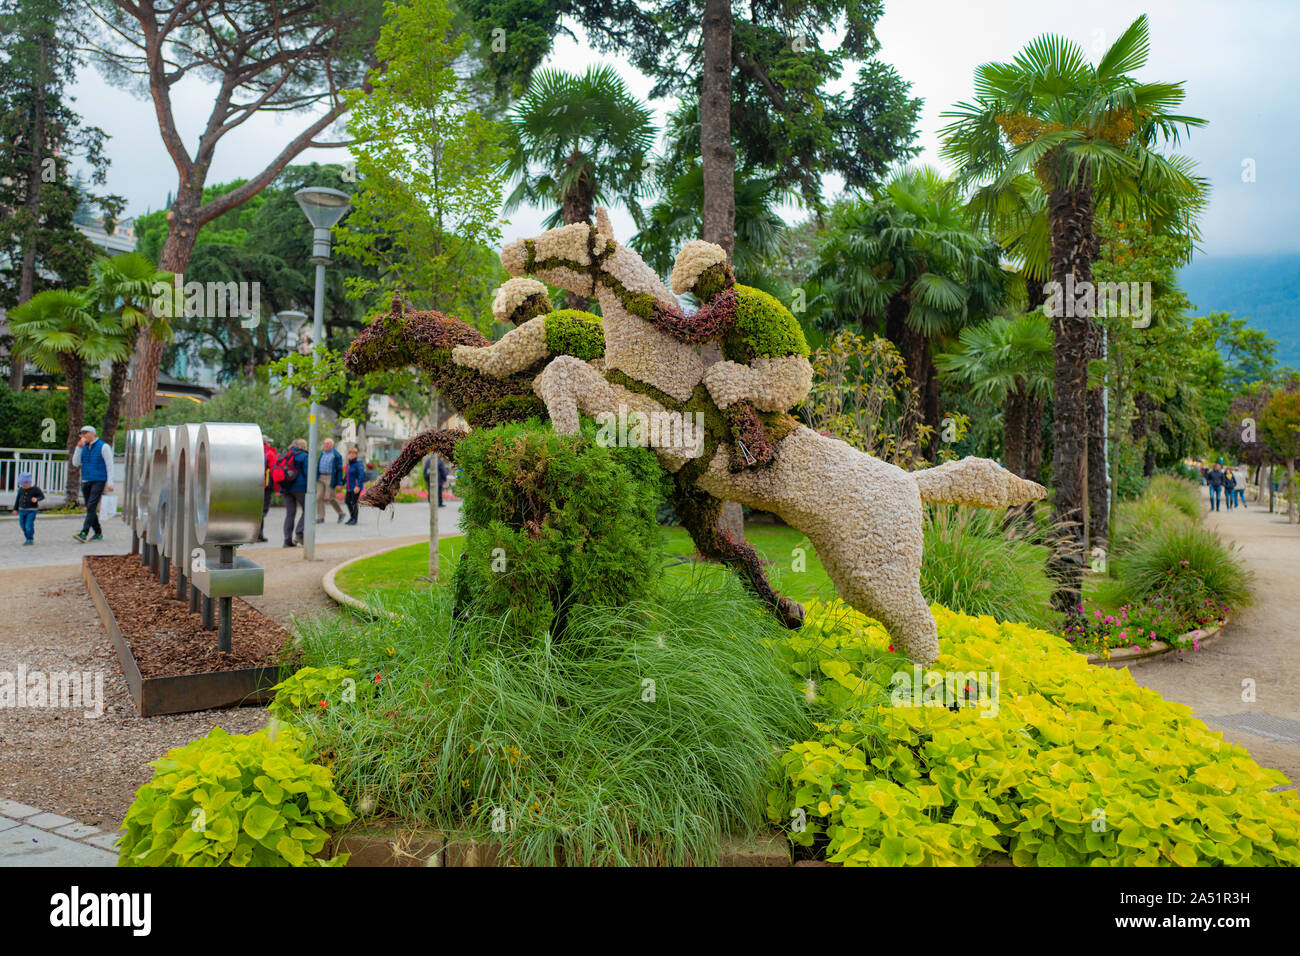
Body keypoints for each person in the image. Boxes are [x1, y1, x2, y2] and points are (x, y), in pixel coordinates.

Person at [72, 424, 113, 542]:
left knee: (91, 506)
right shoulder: (83, 447)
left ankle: (84, 532)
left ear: (93, 434)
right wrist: (78, 448)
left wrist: (110, 483)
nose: (83, 436)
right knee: (91, 507)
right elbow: (75, 463)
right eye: (82, 434)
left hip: (99, 479)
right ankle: (98, 532)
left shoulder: (103, 447)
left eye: (86, 433)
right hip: (86, 479)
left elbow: (109, 465)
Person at [281, 438, 309, 547]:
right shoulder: (304, 456)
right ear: (304, 446)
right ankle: (299, 533)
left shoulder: (286, 454)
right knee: (308, 510)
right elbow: (308, 473)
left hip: (286, 487)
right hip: (299, 488)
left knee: (290, 514)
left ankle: (287, 540)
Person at [316, 437, 345, 524]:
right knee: (318, 498)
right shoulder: (322, 453)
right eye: (324, 443)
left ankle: (341, 513)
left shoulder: (336, 455)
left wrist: (339, 482)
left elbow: (339, 469)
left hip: (330, 477)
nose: (325, 445)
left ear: (332, 445)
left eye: (327, 444)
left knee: (330, 497)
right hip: (321, 477)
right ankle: (320, 517)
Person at [259, 438, 281, 542]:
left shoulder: (253, 451)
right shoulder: (270, 454)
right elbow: (274, 472)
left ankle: (256, 534)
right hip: (265, 485)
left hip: (252, 485)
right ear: (267, 443)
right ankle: (259, 535)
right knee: (262, 511)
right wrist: (277, 489)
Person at [14, 472, 44, 545]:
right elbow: (18, 499)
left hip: (31, 510)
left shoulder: (35, 489)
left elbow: (42, 496)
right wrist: (15, 509)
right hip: (22, 510)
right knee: (22, 524)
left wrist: (36, 499)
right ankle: (27, 536)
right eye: (22, 485)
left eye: (25, 485)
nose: (23, 487)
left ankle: (30, 538)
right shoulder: (20, 490)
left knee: (29, 525)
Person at [344, 445, 365, 525]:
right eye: (350, 453)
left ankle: (354, 519)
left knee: (353, 503)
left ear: (356, 455)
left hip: (356, 487)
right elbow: (347, 475)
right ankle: (352, 517)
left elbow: (361, 475)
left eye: (353, 454)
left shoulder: (358, 463)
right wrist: (342, 482)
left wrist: (358, 486)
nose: (351, 455)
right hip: (349, 487)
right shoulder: (349, 464)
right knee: (347, 501)